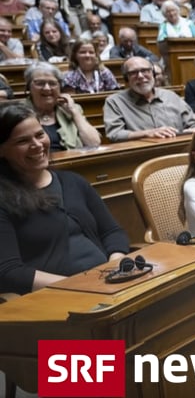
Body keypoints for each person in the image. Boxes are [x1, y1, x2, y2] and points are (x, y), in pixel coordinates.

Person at [0, 101, 128, 294]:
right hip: (56, 295)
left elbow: (112, 232)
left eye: (40, 134)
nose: (36, 145)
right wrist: (80, 286)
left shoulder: (73, 182)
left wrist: (115, 267)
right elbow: (9, 272)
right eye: (22, 141)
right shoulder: (3, 199)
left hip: (108, 284)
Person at [103, 56, 195, 141]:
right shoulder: (114, 102)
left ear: (153, 74)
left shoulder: (170, 96)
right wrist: (147, 133)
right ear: (126, 78)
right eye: (133, 73)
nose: (141, 76)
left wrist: (194, 130)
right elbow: (115, 134)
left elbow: (193, 123)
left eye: (145, 70)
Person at [24, 62, 100, 151]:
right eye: (40, 83)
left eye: (52, 83)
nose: (47, 88)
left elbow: (94, 143)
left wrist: (74, 112)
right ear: (29, 87)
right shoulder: (18, 112)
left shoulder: (71, 109)